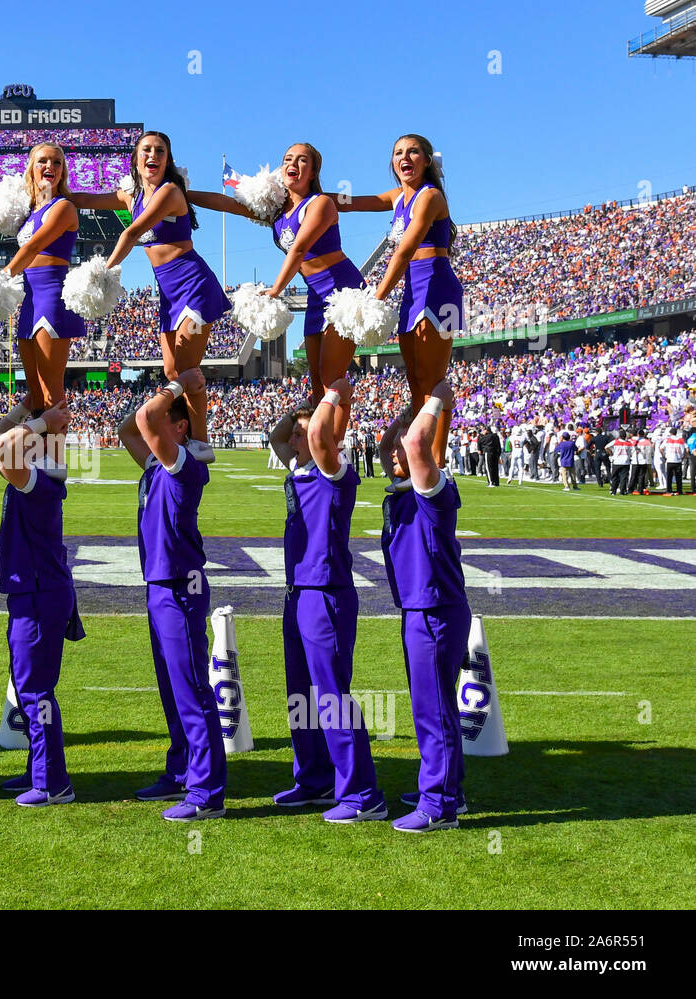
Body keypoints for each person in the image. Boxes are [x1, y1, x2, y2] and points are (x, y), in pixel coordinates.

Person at [68, 132, 229, 459]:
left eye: (160, 151)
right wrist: (54, 195)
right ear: (136, 160)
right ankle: (182, 436)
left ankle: (201, 442)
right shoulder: (132, 196)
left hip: (193, 283)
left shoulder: (170, 191)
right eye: (146, 150)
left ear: (167, 160)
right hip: (167, 293)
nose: (153, 155)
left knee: (186, 368)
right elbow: (86, 200)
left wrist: (103, 271)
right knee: (172, 372)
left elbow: (132, 233)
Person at [269, 379, 385, 823]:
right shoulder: (298, 469)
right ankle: (314, 778)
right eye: (299, 433)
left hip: (326, 594)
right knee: (300, 695)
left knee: (332, 696)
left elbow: (317, 437)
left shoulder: (336, 472)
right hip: (297, 593)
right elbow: (279, 436)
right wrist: (300, 411)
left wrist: (330, 398)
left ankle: (362, 792)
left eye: (306, 433)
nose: (297, 439)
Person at [118, 367, 226, 822]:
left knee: (192, 689)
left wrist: (182, 384)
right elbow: (129, 427)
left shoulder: (184, 465)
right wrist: (186, 391)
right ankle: (182, 768)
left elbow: (146, 419)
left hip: (180, 585)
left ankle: (206, 791)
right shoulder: (160, 462)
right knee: (171, 688)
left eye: (170, 420)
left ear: (179, 428)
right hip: (159, 584)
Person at [188, 143, 365, 418]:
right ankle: (323, 451)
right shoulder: (278, 212)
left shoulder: (321, 204)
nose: (293, 164)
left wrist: (276, 289)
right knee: (317, 384)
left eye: (302, 160)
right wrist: (182, 193)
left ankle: (335, 452)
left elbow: (299, 248)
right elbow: (228, 204)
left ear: (314, 170)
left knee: (332, 379)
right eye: (287, 159)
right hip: (317, 298)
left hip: (344, 293)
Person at [377, 381, 470, 832]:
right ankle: (450, 788)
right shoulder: (403, 489)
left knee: (433, 711)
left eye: (401, 448)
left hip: (434, 611)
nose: (394, 453)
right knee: (433, 707)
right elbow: (394, 447)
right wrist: (405, 413)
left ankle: (439, 806)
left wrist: (435, 397)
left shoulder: (433, 489)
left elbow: (415, 443)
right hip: (422, 609)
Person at [339, 134, 462, 466]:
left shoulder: (430, 196)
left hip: (437, 287)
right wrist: (317, 197)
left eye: (413, 152)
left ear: (426, 161)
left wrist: (376, 297)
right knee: (415, 380)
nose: (404, 157)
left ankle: (435, 462)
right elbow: (355, 202)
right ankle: (422, 454)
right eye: (397, 153)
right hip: (412, 288)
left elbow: (405, 249)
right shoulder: (398, 197)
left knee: (432, 380)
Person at [0, 397, 83, 806]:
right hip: (32, 592)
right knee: (30, 687)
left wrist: (42, 421)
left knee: (36, 690)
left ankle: (52, 782)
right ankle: (37, 767)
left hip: (39, 595)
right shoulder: (34, 476)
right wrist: (27, 412)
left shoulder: (39, 482)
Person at [0, 143, 83, 412]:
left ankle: (54, 455)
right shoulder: (29, 210)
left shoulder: (63, 207)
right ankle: (39, 452)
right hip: (30, 299)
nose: (50, 167)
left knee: (51, 391)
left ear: (63, 171)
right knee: (35, 391)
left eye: (57, 162)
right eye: (42, 161)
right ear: (31, 169)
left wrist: (0, 279)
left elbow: (33, 246)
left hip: (52, 297)